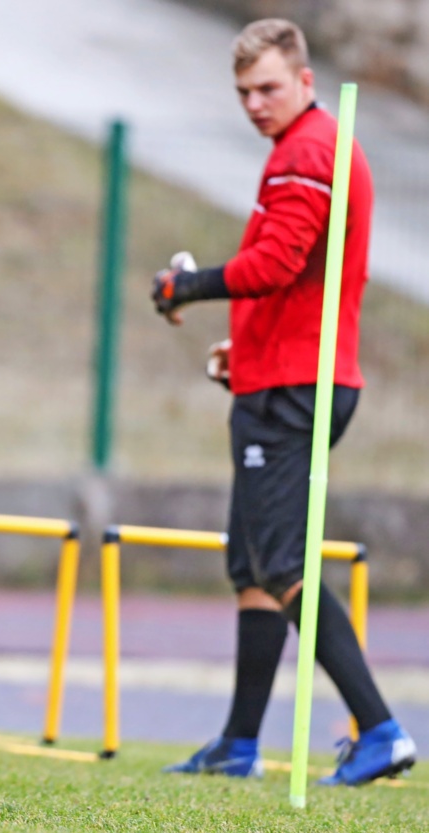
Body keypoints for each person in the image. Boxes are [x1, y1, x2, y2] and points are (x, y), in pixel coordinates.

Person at [150, 18, 415, 787]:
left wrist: (186, 287)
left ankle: (382, 727)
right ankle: (237, 743)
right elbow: (303, 280)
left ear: (305, 80)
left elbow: (278, 260)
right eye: (243, 92)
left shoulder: (307, 148)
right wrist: (251, 346)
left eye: (268, 87)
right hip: (282, 376)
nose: (255, 103)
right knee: (253, 565)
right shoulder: (299, 147)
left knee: (280, 560)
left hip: (297, 389)